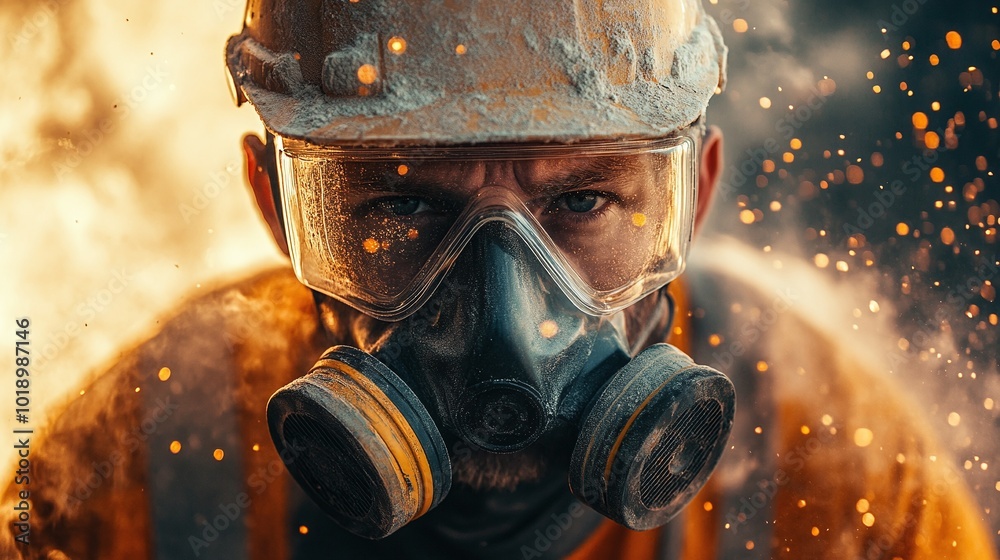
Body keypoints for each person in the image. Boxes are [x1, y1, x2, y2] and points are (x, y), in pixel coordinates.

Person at [2, 1, 996, 559]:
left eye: (580, 204)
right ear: (274, 202)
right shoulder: (126, 473)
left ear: (689, 194)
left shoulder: (835, 479)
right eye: (401, 207)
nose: (505, 326)